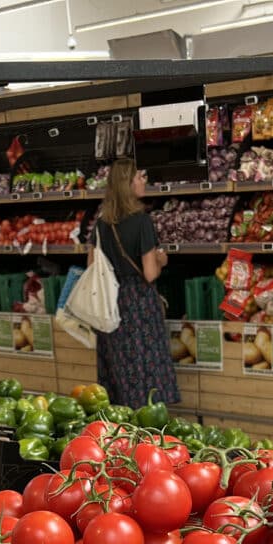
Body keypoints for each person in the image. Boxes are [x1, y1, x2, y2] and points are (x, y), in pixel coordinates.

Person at [91, 159, 179, 409]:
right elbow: (150, 273)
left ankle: (122, 423)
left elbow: (92, 266)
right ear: (127, 184)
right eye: (139, 177)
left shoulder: (101, 224)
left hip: (110, 302)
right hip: (138, 302)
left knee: (118, 366)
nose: (144, 181)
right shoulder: (142, 222)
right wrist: (161, 259)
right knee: (145, 365)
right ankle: (147, 424)